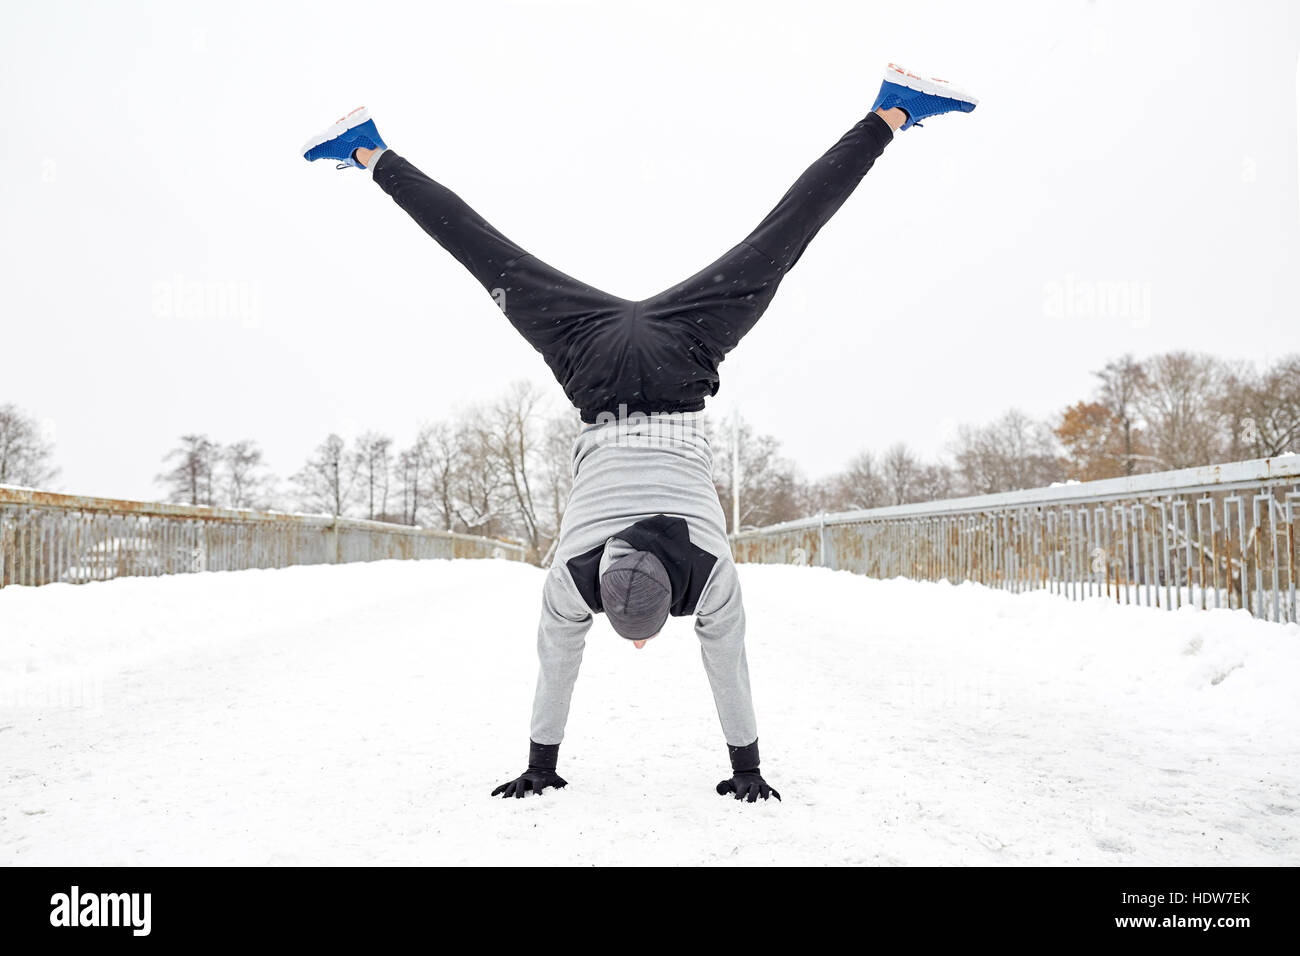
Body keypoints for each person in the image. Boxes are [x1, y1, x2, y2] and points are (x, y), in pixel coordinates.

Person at [301, 63, 977, 803]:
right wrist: (541, 762)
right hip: (590, 362)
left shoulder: (712, 570)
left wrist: (747, 769)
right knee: (483, 252)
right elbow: (555, 665)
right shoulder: (569, 574)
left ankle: (889, 114)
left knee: (783, 238)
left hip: (682, 356)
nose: (645, 642)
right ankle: (369, 151)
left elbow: (729, 664)